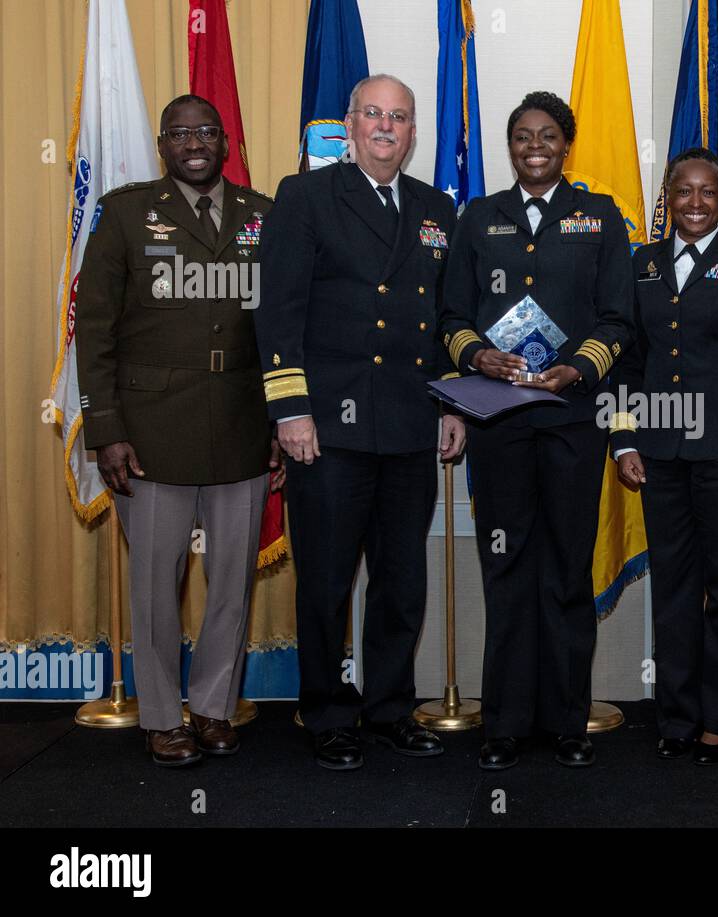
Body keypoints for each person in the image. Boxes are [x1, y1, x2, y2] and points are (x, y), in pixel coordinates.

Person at [255, 74, 465, 770]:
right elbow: (278, 310)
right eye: (372, 114)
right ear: (349, 125)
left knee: (402, 582)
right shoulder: (307, 196)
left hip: (408, 426)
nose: (385, 127)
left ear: (413, 133)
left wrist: (451, 401)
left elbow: (444, 320)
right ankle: (326, 712)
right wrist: (291, 409)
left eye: (398, 118)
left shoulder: (438, 209)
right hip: (329, 430)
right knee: (326, 581)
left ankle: (390, 708)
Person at [76, 94, 281, 766]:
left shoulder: (262, 216)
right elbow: (96, 328)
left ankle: (215, 706)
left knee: (230, 580)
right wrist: (104, 428)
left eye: (206, 132)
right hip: (150, 430)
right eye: (180, 133)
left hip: (244, 422)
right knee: (156, 585)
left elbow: (283, 330)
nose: (195, 142)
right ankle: (163, 716)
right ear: (163, 146)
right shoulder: (127, 212)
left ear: (225, 142)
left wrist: (281, 420)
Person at [440, 91, 633, 771]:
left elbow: (619, 320)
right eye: (522, 136)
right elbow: (450, 315)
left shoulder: (600, 218)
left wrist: (576, 370)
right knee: (507, 567)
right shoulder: (477, 218)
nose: (534, 145)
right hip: (499, 425)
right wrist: (476, 355)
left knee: (565, 570)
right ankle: (505, 722)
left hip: (573, 423)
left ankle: (567, 719)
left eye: (547, 135)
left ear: (566, 144)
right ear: (510, 145)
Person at [612, 147, 718, 765]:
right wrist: (624, 437)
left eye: (707, 192)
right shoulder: (642, 263)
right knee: (676, 589)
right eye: (683, 192)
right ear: (668, 197)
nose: (695, 202)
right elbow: (629, 359)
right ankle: (678, 716)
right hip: (659, 452)